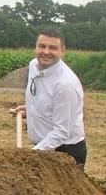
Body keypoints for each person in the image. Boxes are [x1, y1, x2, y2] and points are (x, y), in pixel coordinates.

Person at [9, 28, 86, 167]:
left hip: (64, 152)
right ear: (36, 47)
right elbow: (47, 101)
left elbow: (61, 132)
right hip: (44, 147)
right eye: (42, 46)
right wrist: (31, 109)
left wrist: (29, 156)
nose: (46, 52)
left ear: (62, 50)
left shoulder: (65, 85)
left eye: (52, 48)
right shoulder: (34, 66)